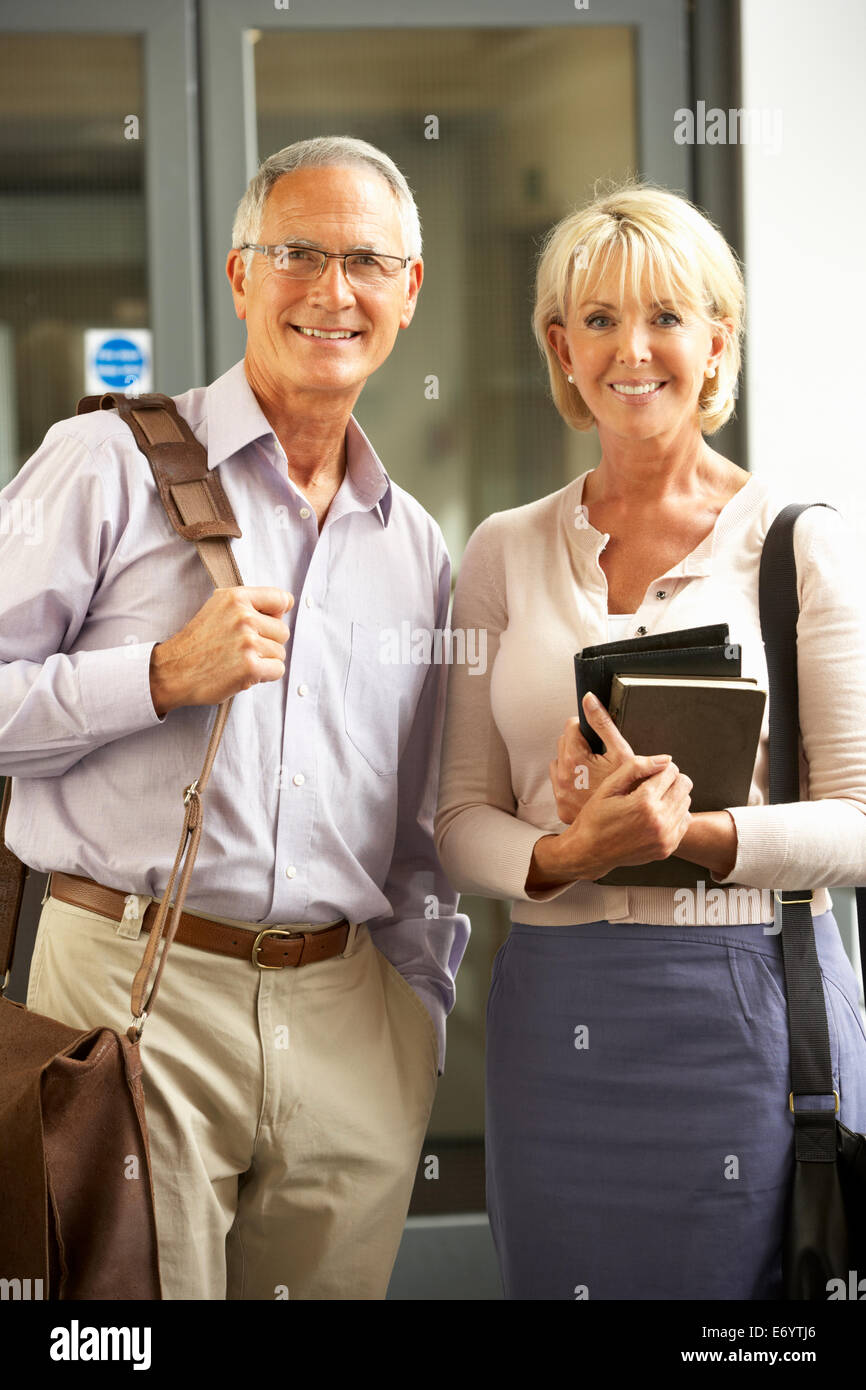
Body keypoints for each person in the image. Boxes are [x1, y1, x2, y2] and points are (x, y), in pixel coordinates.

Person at [0, 135, 469, 1301]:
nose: (330, 289)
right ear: (237, 275)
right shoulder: (103, 463)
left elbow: (415, 827)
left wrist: (413, 1027)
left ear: (408, 292)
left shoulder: (414, 545)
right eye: (296, 252)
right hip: (131, 996)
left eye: (365, 260)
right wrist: (157, 674)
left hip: (349, 1014)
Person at [434, 182, 866, 1300]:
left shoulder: (797, 547)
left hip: (746, 1005)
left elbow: (859, 826)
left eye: (666, 317)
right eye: (597, 320)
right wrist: (568, 848)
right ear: (559, 347)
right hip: (556, 1011)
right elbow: (455, 819)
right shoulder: (500, 550)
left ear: (715, 340)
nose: (632, 349)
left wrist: (702, 832)